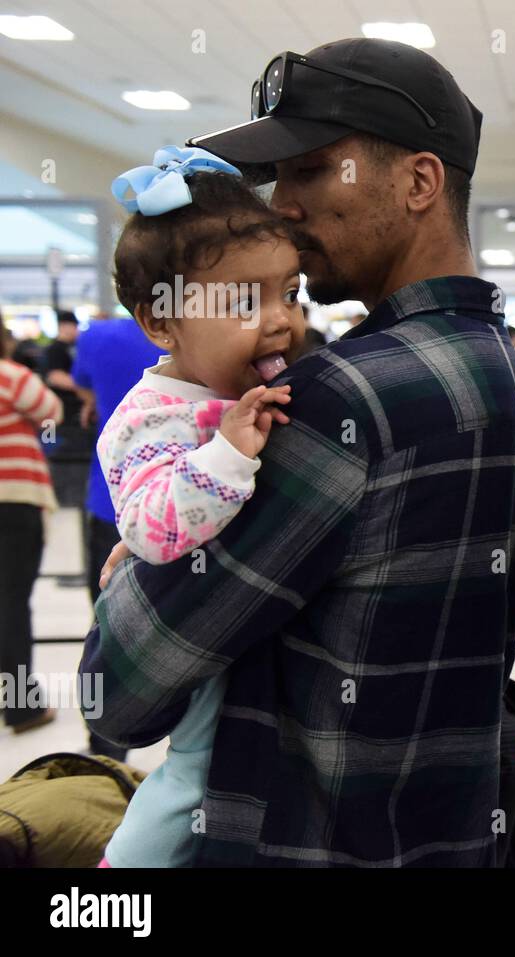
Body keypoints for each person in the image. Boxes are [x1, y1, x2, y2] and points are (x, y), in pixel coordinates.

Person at [84, 37, 515, 867]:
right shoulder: (498, 362)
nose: (281, 205)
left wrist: (127, 582)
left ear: (418, 182)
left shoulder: (341, 395)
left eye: (310, 171)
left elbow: (122, 691)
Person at [93, 147, 303, 867]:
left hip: (249, 624)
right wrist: (228, 453)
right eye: (246, 302)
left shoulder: (241, 389)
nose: (279, 321)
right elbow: (151, 528)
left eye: (291, 292)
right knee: (194, 774)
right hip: (199, 643)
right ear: (161, 323)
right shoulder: (150, 416)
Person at [72, 310, 165, 760]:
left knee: (107, 628)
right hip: (198, 506)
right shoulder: (214, 328)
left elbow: (83, 390)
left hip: (110, 499)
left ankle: (105, 753)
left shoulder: (99, 335)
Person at [0, 321, 62, 733]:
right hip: (13, 500)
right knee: (10, 602)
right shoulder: (10, 375)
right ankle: (21, 705)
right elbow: (51, 411)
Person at [41, 311, 92, 506]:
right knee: (55, 451)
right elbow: (54, 376)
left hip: (74, 413)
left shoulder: (76, 347)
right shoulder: (55, 349)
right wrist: (84, 386)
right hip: (57, 415)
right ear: (63, 326)